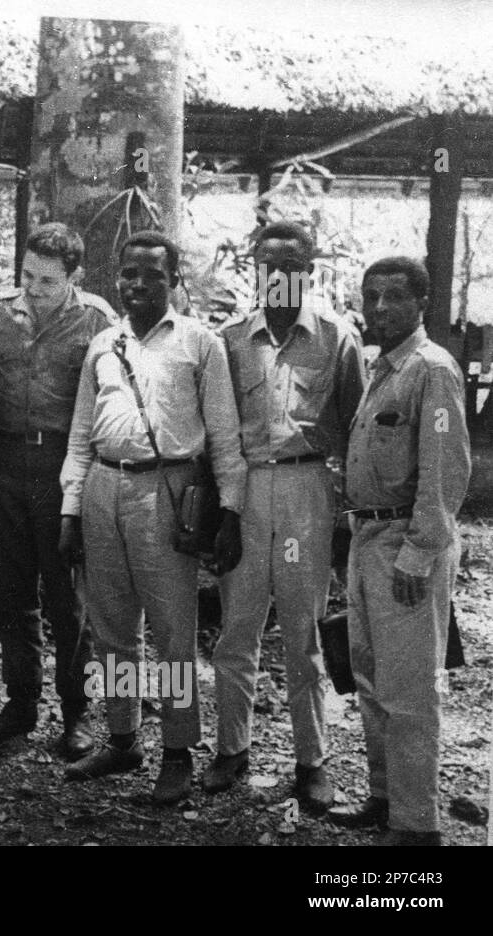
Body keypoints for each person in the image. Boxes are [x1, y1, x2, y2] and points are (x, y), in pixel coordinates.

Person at [59, 231, 246, 805]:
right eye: (129, 273)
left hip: (168, 491)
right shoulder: (103, 344)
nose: (138, 284)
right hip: (103, 489)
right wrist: (71, 508)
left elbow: (225, 438)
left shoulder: (200, 343)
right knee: (112, 628)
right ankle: (123, 738)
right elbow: (81, 436)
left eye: (152, 275)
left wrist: (231, 512)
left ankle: (177, 751)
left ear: (173, 281)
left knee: (172, 634)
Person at [205, 222, 366, 811]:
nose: (280, 277)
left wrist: (347, 517)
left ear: (310, 268)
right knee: (236, 629)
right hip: (243, 491)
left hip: (306, 488)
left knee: (304, 633)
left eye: (292, 265)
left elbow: (354, 432)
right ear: (255, 269)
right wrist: (220, 513)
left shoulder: (336, 338)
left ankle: (311, 760)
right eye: (268, 265)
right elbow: (214, 434)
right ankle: (231, 749)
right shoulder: (227, 340)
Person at [328, 257, 469, 845]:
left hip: (406, 545)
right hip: (368, 538)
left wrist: (419, 552)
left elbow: (445, 472)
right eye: (371, 296)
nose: (380, 307)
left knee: (410, 690)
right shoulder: (382, 368)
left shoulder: (432, 370)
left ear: (420, 304)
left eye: (393, 297)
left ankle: (416, 827)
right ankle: (386, 799)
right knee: (370, 677)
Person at [0, 222, 115, 758]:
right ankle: (20, 702)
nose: (32, 288)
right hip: (4, 465)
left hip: (63, 466)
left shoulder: (98, 320)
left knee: (66, 598)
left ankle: (77, 711)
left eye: (47, 281)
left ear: (75, 276)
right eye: (27, 275)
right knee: (6, 589)